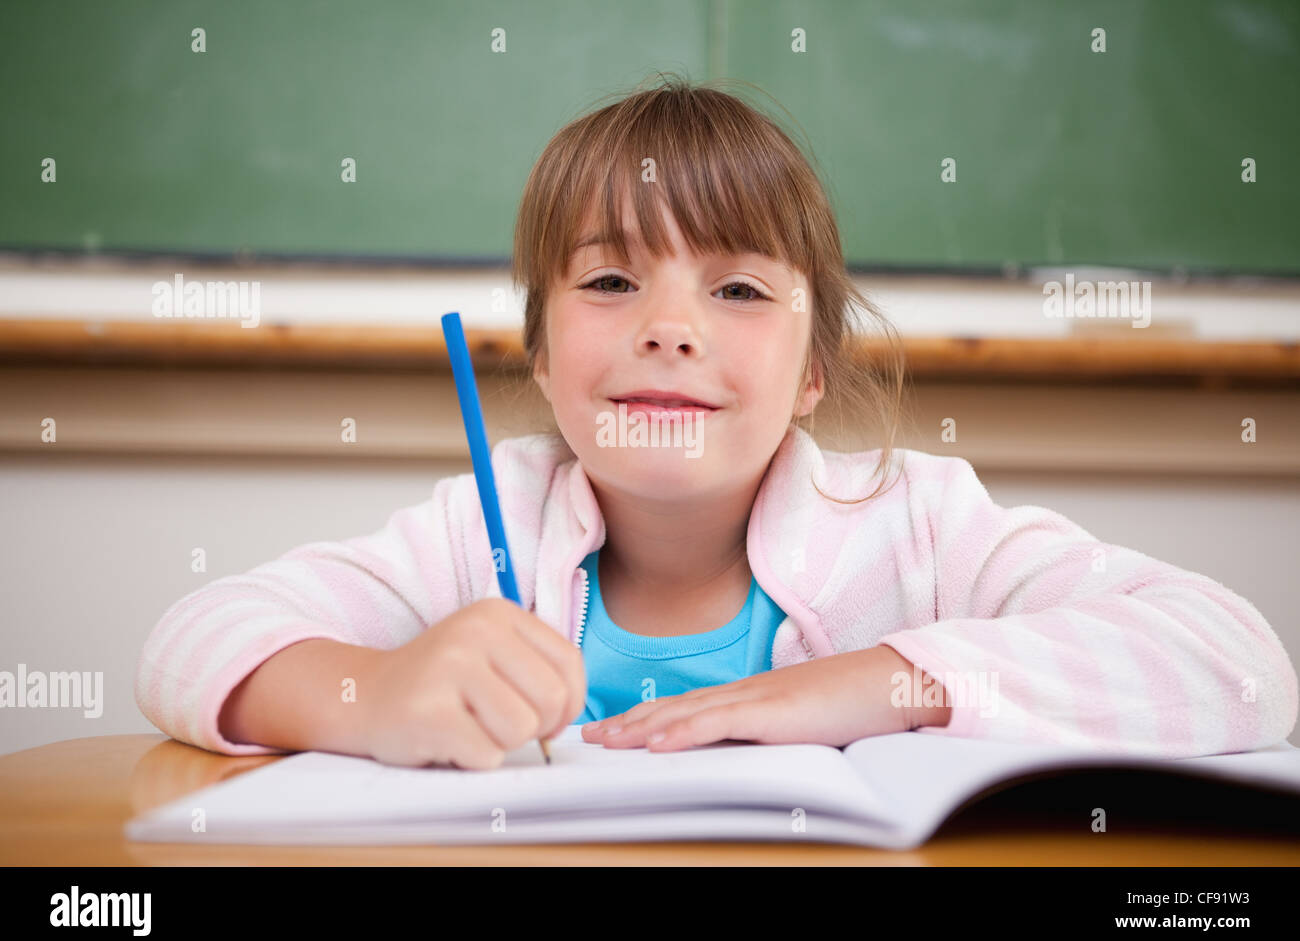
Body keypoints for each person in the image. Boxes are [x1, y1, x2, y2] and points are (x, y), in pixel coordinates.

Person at [136, 75, 1298, 770]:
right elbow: (187, 641)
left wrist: (870, 684)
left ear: (811, 371)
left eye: (738, 290)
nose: (669, 328)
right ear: (539, 352)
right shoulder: (482, 526)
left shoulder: (920, 527)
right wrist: (374, 695)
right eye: (607, 284)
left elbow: (1240, 667)